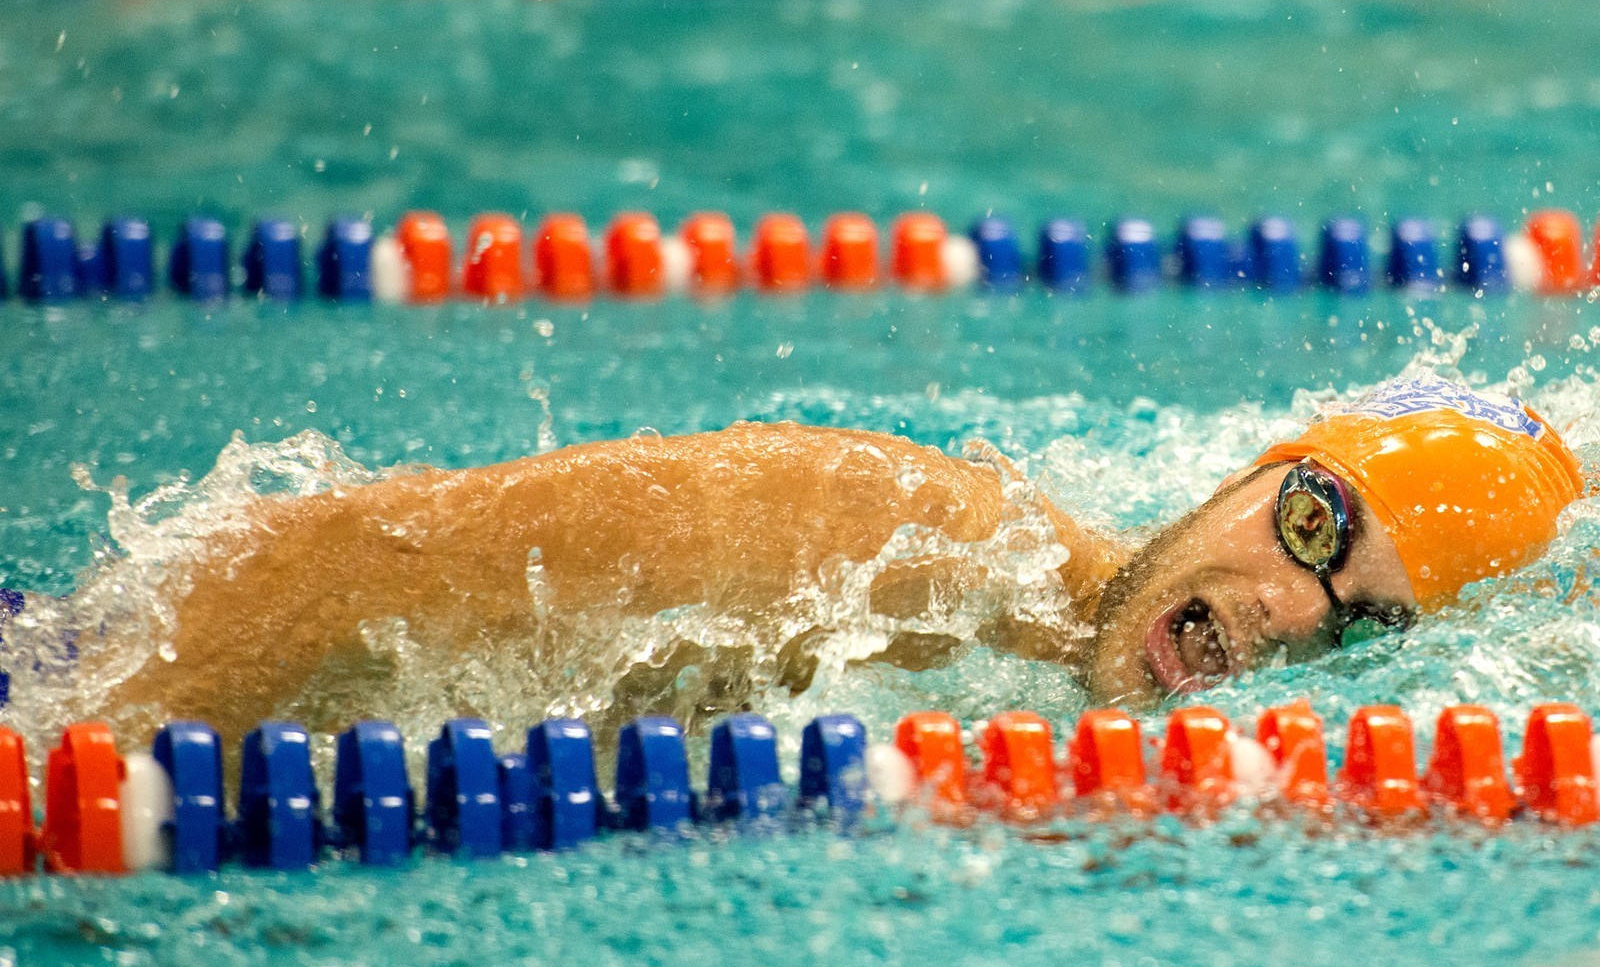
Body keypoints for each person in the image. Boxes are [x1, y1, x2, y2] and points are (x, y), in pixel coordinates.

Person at [0, 373, 1585, 744]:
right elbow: (342, 557)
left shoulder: (1068, 715)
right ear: (1255, 472)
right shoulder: (884, 536)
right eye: (1313, 528)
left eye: (1361, 627)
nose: (1280, 615)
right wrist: (71, 754)